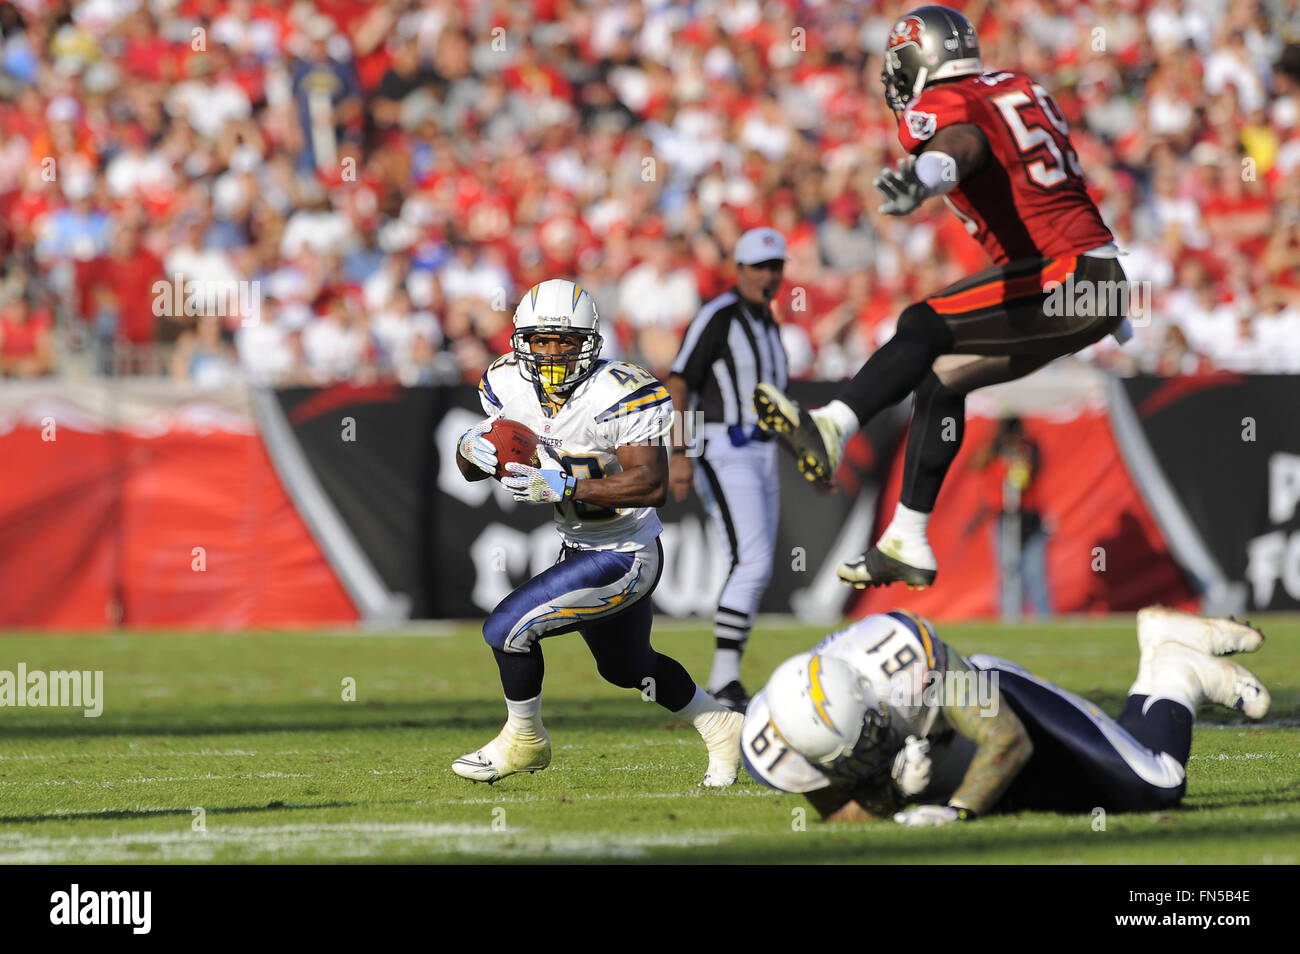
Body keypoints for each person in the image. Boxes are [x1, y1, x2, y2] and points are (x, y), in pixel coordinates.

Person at [753, 5, 1131, 590]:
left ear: (922, 61)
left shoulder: (951, 104)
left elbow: (963, 145)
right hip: (1092, 279)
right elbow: (1056, 190)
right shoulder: (1016, 86)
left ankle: (832, 424)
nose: (896, 81)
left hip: (1070, 281)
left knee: (922, 322)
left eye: (900, 65)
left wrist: (924, 179)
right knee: (943, 379)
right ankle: (907, 535)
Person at [451, 278, 743, 786]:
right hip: (578, 546)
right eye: (540, 340)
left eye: (563, 341)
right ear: (521, 341)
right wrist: (468, 449)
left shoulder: (619, 391)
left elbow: (652, 485)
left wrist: (564, 484)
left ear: (588, 342)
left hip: (627, 553)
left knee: (507, 630)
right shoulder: (506, 384)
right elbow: (478, 466)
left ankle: (524, 741)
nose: (551, 353)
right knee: (628, 667)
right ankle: (721, 724)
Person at [740, 606, 1269, 824]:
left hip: (1000, 704)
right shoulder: (783, 729)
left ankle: (1178, 671)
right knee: (1112, 803)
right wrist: (895, 793)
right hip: (966, 766)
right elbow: (841, 810)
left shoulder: (904, 659)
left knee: (1156, 785)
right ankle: (1168, 659)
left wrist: (956, 812)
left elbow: (1005, 740)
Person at [666, 227, 789, 713]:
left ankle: (726, 678)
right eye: (759, 267)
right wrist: (681, 450)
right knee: (751, 561)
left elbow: (779, 404)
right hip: (724, 445)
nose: (769, 275)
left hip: (762, 450)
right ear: (739, 270)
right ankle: (723, 680)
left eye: (775, 266)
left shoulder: (768, 322)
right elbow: (681, 381)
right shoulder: (718, 315)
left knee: (755, 561)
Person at [964, 415, 1052, 618]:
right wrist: (997, 445)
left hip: (1029, 518)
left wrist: (1020, 456)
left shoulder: (1029, 450)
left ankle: (1044, 619)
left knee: (1035, 575)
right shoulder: (994, 451)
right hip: (1005, 519)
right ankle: (1010, 618)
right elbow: (975, 463)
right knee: (1009, 573)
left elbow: (1034, 469)